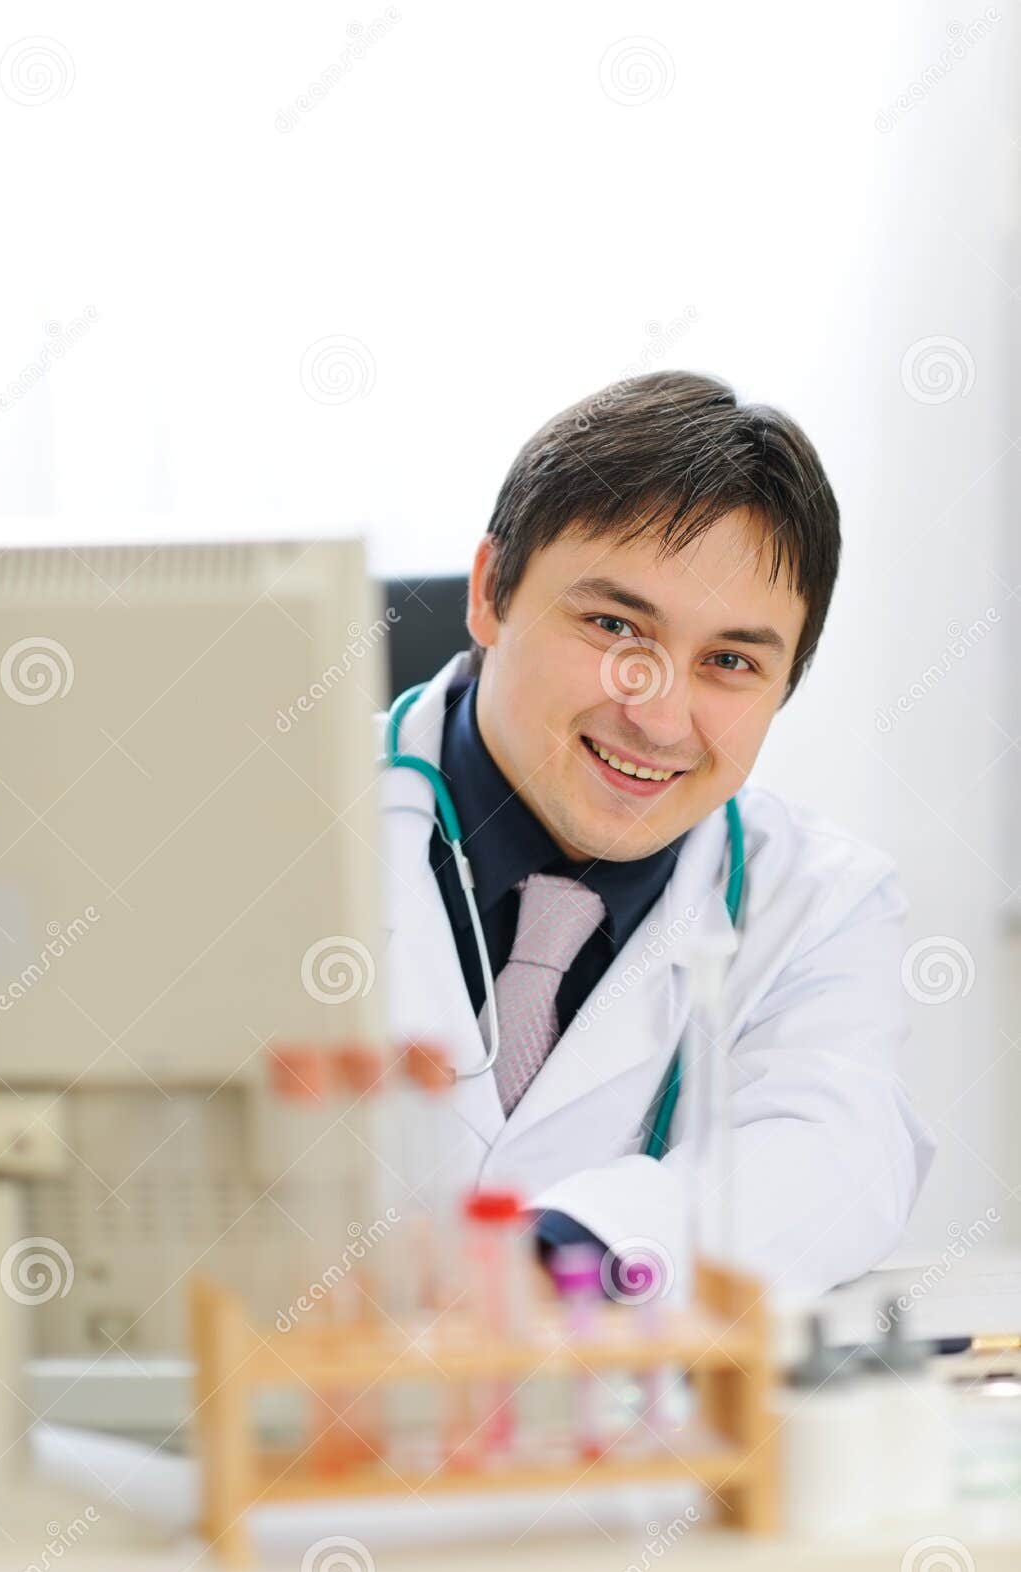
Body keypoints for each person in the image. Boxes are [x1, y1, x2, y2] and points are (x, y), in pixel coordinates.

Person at [377, 370, 934, 1299]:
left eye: (728, 662)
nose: (659, 717)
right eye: (612, 624)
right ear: (490, 593)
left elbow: (838, 1150)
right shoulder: (265, 832)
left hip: (616, 1431)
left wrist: (564, 1260)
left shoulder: (819, 900)